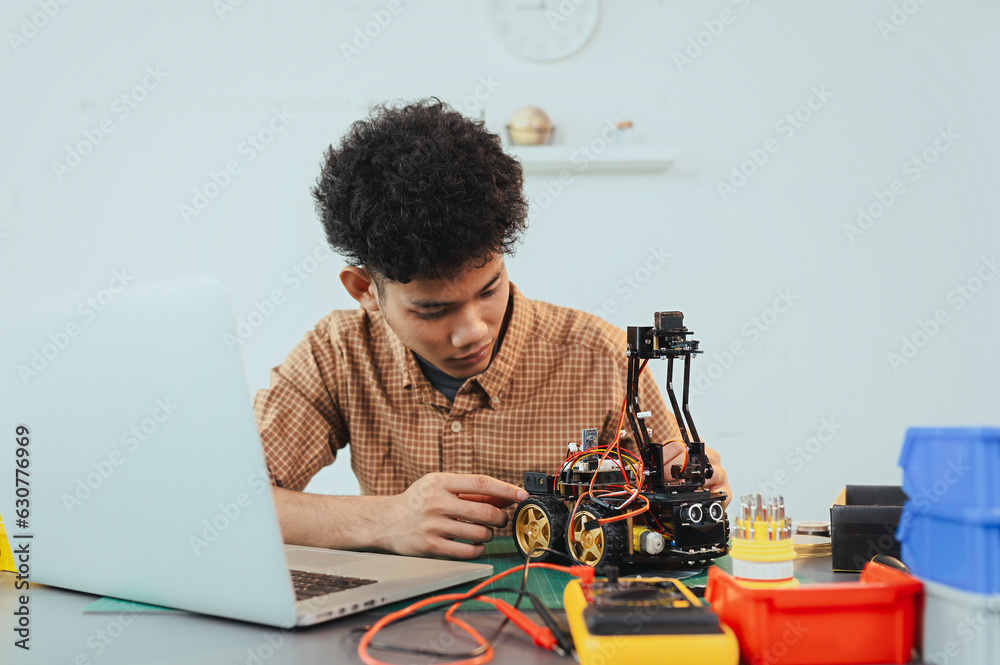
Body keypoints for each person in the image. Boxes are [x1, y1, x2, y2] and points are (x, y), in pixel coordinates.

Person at [254, 98, 730, 560]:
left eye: (488, 289)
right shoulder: (337, 352)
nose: (471, 332)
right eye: (432, 310)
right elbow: (225, 503)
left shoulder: (600, 358)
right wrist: (385, 519)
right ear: (363, 288)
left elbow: (674, 501)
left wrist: (693, 488)